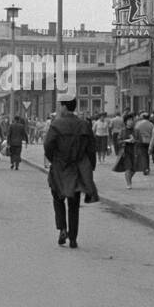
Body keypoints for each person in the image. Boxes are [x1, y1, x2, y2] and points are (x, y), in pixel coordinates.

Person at [44, 98, 97, 250]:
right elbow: (91, 149)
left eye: (60, 105)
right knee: (74, 204)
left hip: (60, 167)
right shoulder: (84, 125)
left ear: (65, 107)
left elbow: (48, 146)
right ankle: (73, 238)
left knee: (57, 198)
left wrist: (53, 159)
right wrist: (90, 168)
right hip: (77, 168)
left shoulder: (56, 124)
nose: (60, 108)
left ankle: (62, 228)